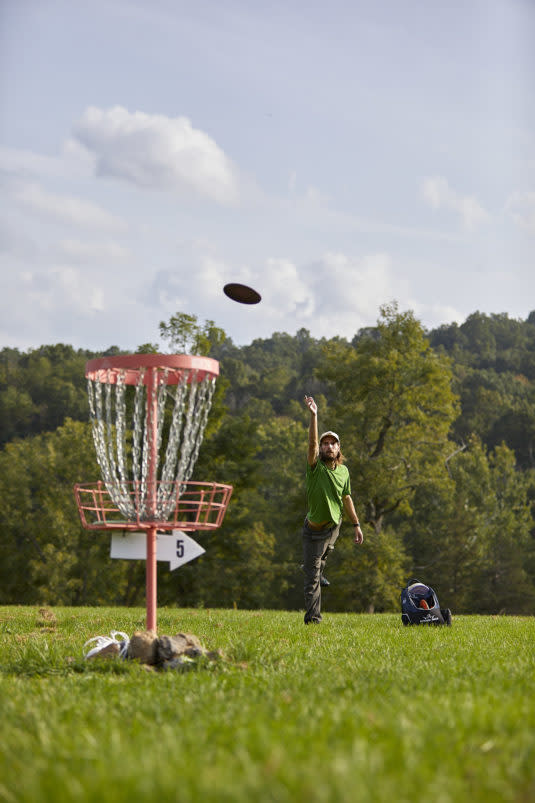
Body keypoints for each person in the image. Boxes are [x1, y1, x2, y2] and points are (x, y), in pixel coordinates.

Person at [302, 395, 364, 624]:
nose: (328, 446)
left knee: (320, 562)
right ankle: (314, 620)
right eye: (325, 443)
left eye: (333, 443)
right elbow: (312, 444)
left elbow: (346, 497)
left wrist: (356, 525)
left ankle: (316, 567)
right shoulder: (314, 467)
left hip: (334, 527)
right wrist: (314, 415)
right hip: (313, 532)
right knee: (312, 580)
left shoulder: (344, 471)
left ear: (339, 448)